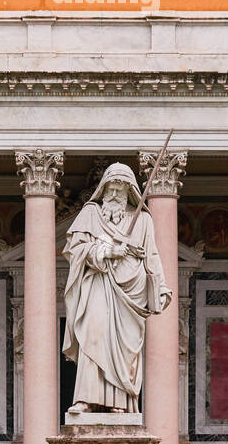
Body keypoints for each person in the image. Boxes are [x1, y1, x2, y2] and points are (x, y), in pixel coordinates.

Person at [63, 163, 171, 414]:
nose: (113, 195)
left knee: (124, 349)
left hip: (131, 292)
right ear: (103, 189)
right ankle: (85, 398)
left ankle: (118, 403)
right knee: (93, 334)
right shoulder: (91, 214)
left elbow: (152, 255)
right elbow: (75, 250)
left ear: (129, 192)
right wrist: (109, 251)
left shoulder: (143, 220)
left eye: (119, 191)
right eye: (110, 189)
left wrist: (162, 287)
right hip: (98, 284)